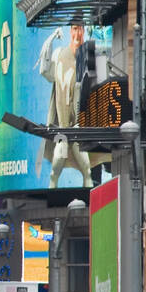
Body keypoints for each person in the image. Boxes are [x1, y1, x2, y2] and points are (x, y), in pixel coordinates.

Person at [36, 17, 91, 187]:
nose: (78, 33)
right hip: (62, 128)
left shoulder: (90, 56)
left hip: (80, 127)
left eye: (81, 29)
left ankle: (92, 199)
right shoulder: (59, 54)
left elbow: (101, 86)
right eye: (75, 28)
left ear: (85, 31)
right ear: (70, 31)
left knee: (87, 171)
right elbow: (45, 71)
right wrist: (51, 38)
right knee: (55, 168)